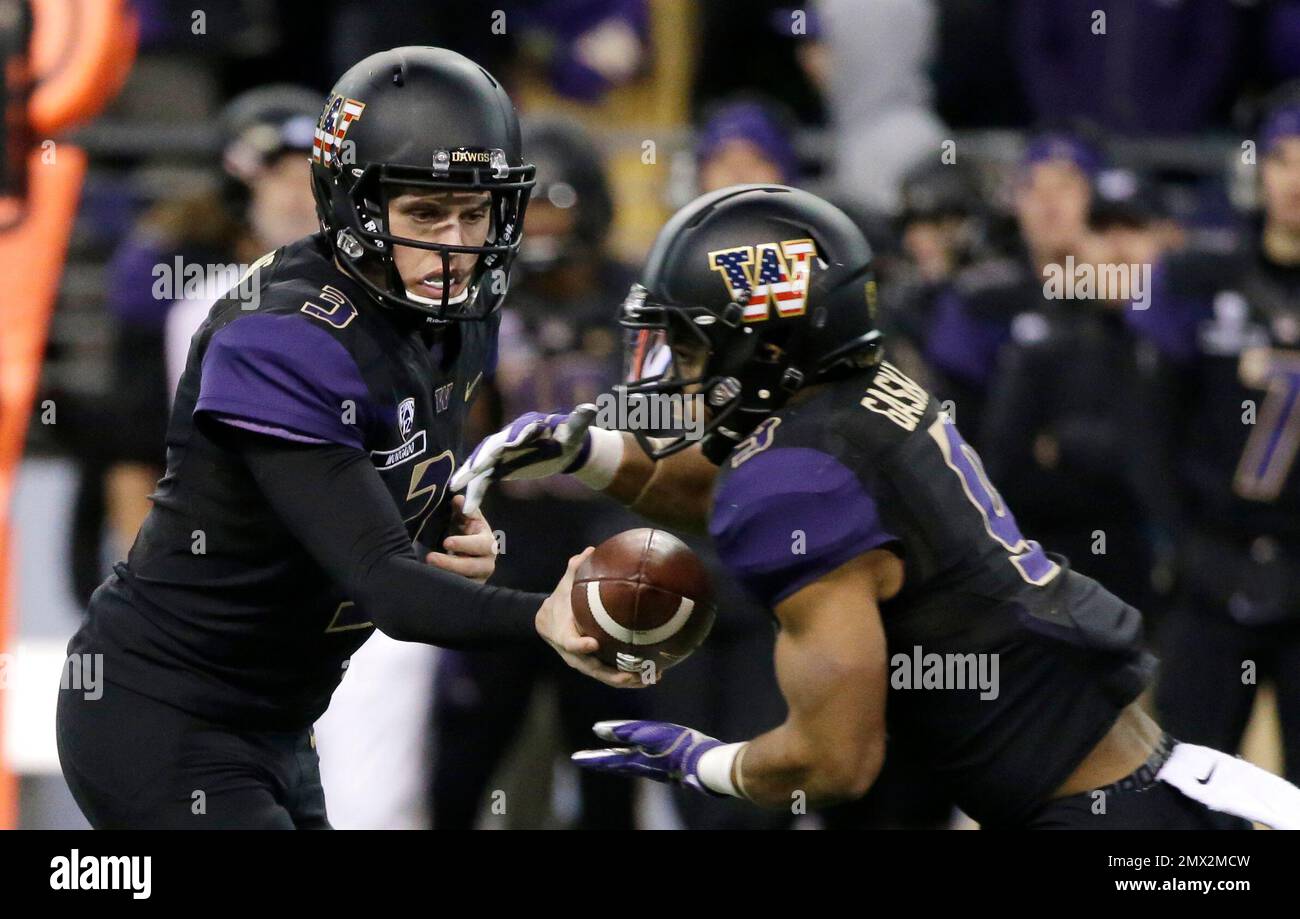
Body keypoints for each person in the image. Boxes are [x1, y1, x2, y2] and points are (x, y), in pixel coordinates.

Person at [453, 184, 1300, 829]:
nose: (668, 374)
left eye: (687, 344)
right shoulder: (854, 400)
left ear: (766, 344)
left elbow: (837, 759)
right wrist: (586, 451)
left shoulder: (795, 476)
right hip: (1150, 792)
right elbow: (737, 493)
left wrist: (710, 764)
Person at [55, 46, 629, 831]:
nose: (458, 244)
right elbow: (382, 583)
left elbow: (376, 486)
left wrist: (450, 530)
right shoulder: (282, 337)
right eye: (425, 212)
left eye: (476, 210)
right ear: (354, 205)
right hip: (168, 714)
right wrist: (542, 614)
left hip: (278, 718)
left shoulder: (454, 308)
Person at [1130, 99, 1300, 784]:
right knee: (1187, 795)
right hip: (1216, 565)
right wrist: (1183, 545)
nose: (1295, 180)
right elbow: (1148, 431)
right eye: (1285, 160)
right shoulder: (1199, 281)